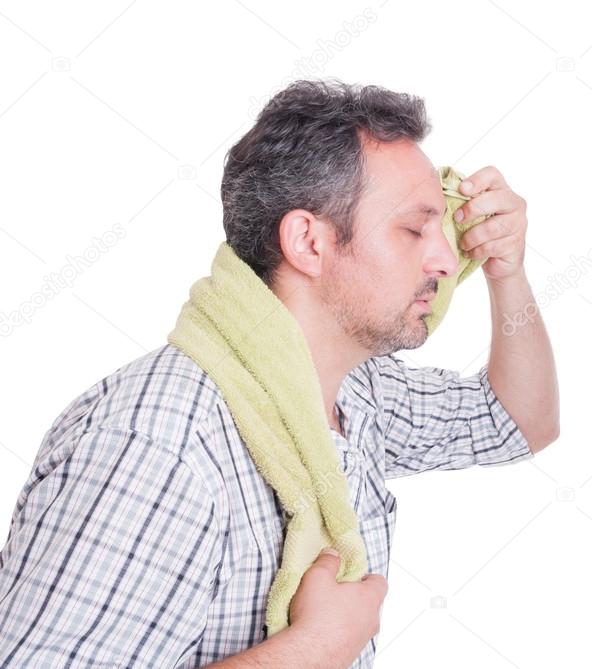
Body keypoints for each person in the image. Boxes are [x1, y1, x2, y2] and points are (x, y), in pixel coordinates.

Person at [0, 80, 559, 668]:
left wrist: (506, 270)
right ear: (308, 243)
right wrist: (317, 648)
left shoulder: (353, 390)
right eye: (414, 229)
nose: (447, 260)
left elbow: (519, 422)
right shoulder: (157, 446)